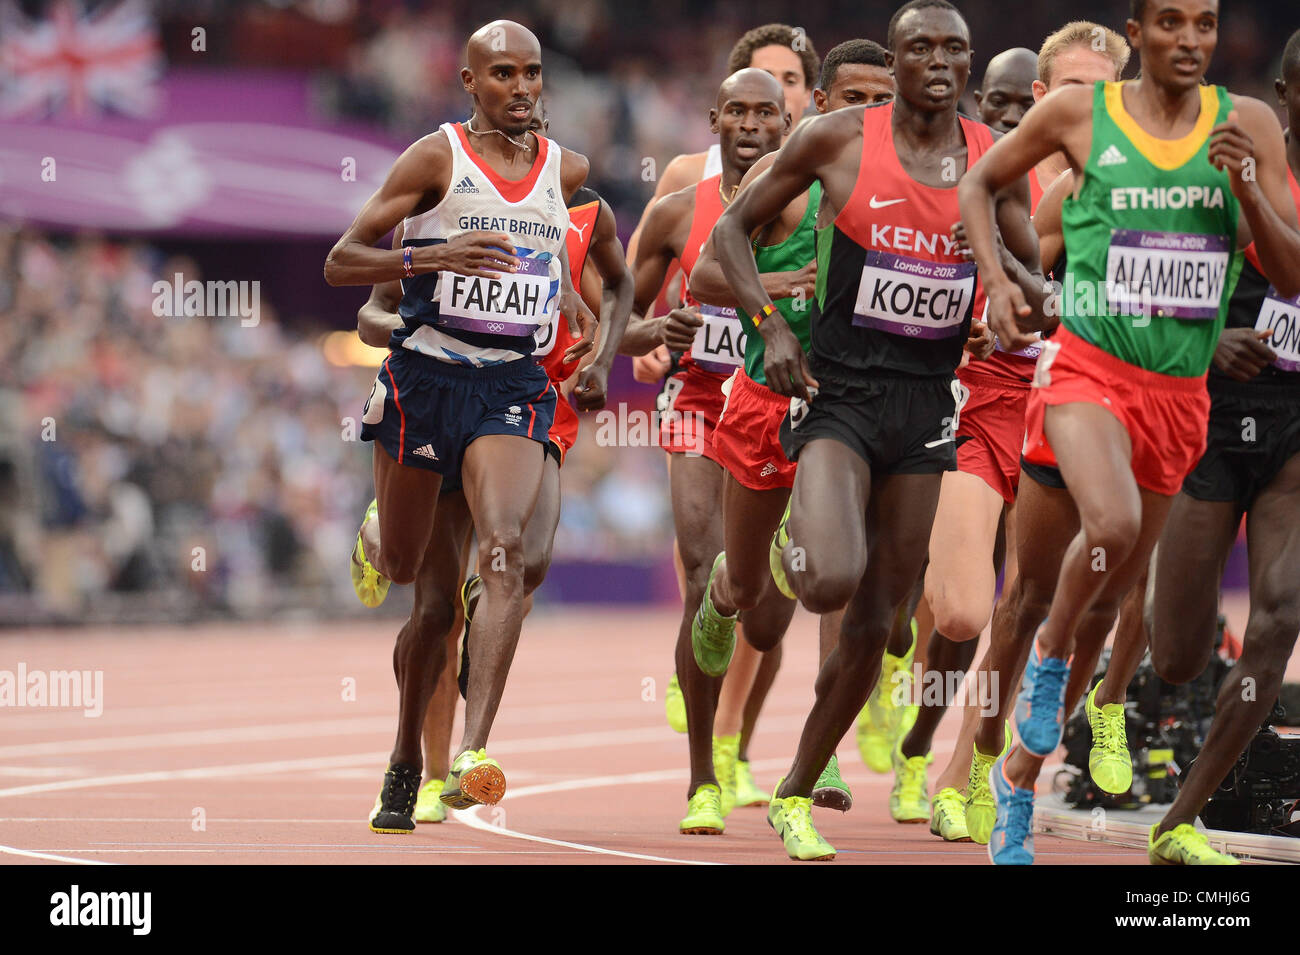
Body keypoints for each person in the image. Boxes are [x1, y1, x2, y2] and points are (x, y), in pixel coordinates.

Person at [958, 0, 1300, 865]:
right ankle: (1037, 669)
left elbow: (1289, 273)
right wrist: (1001, 284)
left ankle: (1015, 788)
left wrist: (1249, 186)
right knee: (1097, 536)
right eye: (1173, 24)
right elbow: (980, 182)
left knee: (1109, 597)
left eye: (1207, 25)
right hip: (1085, 371)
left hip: (1178, 394)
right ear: (1138, 32)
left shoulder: (1245, 122)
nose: (1191, 42)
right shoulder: (1082, 114)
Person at [712, 0, 1042, 861]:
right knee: (826, 583)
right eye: (919, 48)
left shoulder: (993, 159)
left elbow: (1031, 273)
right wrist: (772, 325)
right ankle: (802, 530)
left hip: (929, 406)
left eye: (953, 49)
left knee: (879, 622)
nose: (938, 62)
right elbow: (729, 230)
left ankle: (795, 794)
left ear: (969, 64)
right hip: (841, 395)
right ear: (892, 61)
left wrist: (1014, 299)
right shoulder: (838, 140)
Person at [324, 20, 600, 832]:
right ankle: (404, 747)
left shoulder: (568, 168)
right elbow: (342, 260)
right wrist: (431, 260)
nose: (521, 87)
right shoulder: (434, 158)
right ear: (470, 84)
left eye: (533, 73)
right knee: (428, 600)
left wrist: (572, 300)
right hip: (423, 385)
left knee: (505, 550)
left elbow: (563, 259)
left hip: (510, 388)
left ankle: (470, 752)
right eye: (503, 74)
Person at [924, 24, 1131, 844]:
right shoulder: (1001, 169)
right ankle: (905, 633)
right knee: (966, 610)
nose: (1087, 103)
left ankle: (975, 767)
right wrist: (984, 316)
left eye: (1103, 89)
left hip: (1087, 402)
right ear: (1043, 96)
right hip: (987, 396)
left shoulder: (1137, 180)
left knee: (1060, 596)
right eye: (1072, 88)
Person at [690, 38, 894, 815]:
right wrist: (772, 311)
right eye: (853, 100)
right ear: (819, 108)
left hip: (848, 408)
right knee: (750, 594)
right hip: (761, 404)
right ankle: (724, 589)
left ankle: (825, 755)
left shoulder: (910, 184)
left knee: (838, 584)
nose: (870, 114)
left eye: (883, 99)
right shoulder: (797, 178)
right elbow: (712, 260)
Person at [636, 26, 822, 813]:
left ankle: (738, 739)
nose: (751, 126)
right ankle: (702, 778)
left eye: (770, 108)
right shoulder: (683, 188)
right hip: (703, 395)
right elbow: (631, 305)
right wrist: (647, 343)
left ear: (794, 116)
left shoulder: (821, 191)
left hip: (787, 399)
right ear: (715, 118)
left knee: (769, 607)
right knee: (700, 561)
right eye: (738, 109)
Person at [1135, 27, 1300, 864]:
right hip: (1214, 412)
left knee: (1279, 616)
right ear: (1287, 96)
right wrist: (1206, 345)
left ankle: (1181, 820)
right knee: (1177, 648)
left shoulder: (1247, 173)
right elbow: (1158, 277)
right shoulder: (1227, 158)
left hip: (1297, 427)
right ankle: (1123, 685)